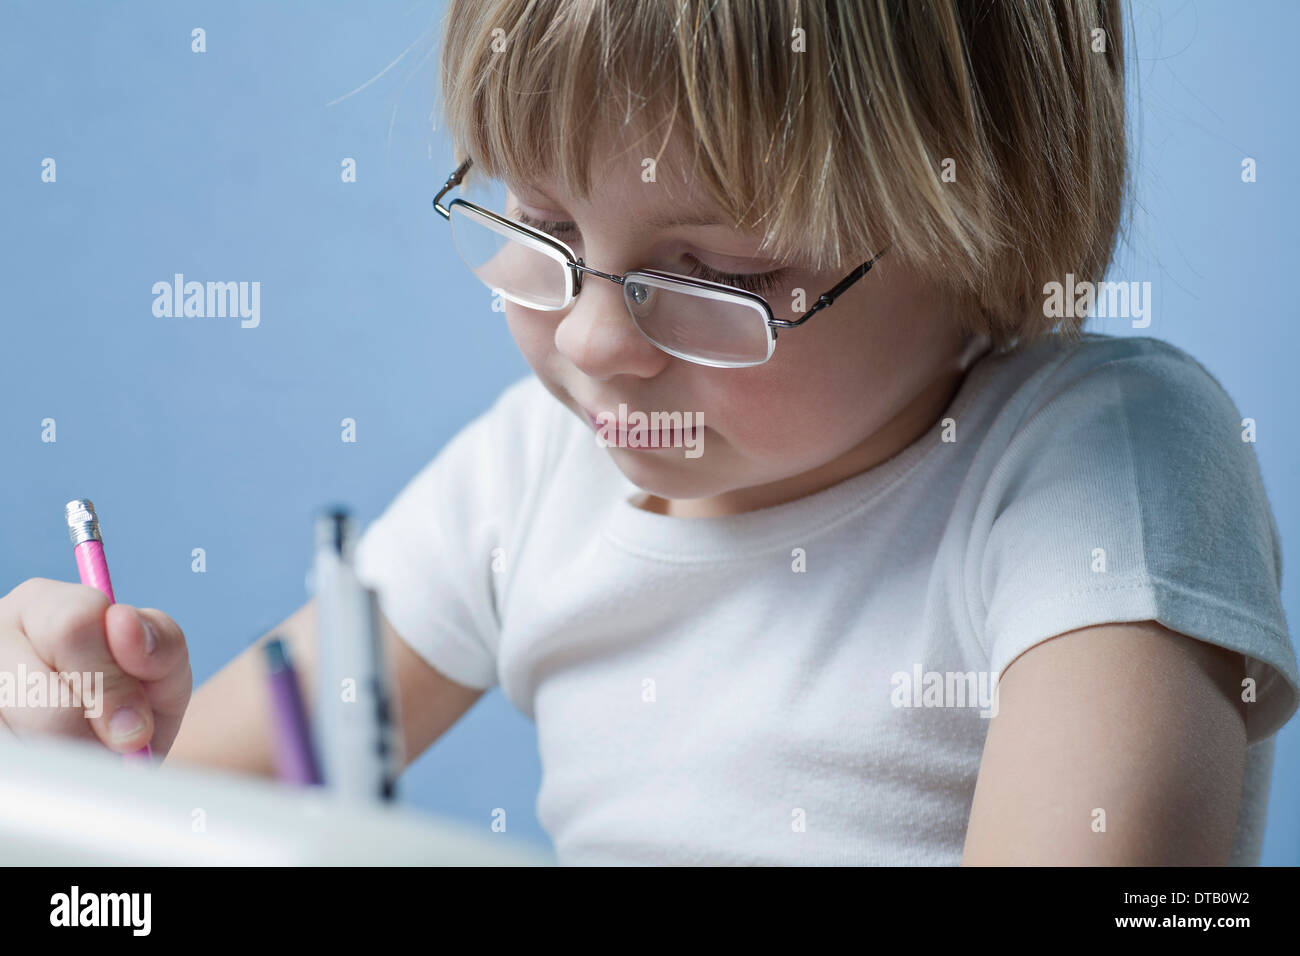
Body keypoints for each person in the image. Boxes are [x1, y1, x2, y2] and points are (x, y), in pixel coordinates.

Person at [2, 0, 1295, 865]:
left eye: (715, 274)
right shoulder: (528, 475)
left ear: (988, 221)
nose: (591, 342)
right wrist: (82, 777)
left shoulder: (1097, 466)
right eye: (545, 232)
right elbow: (194, 825)